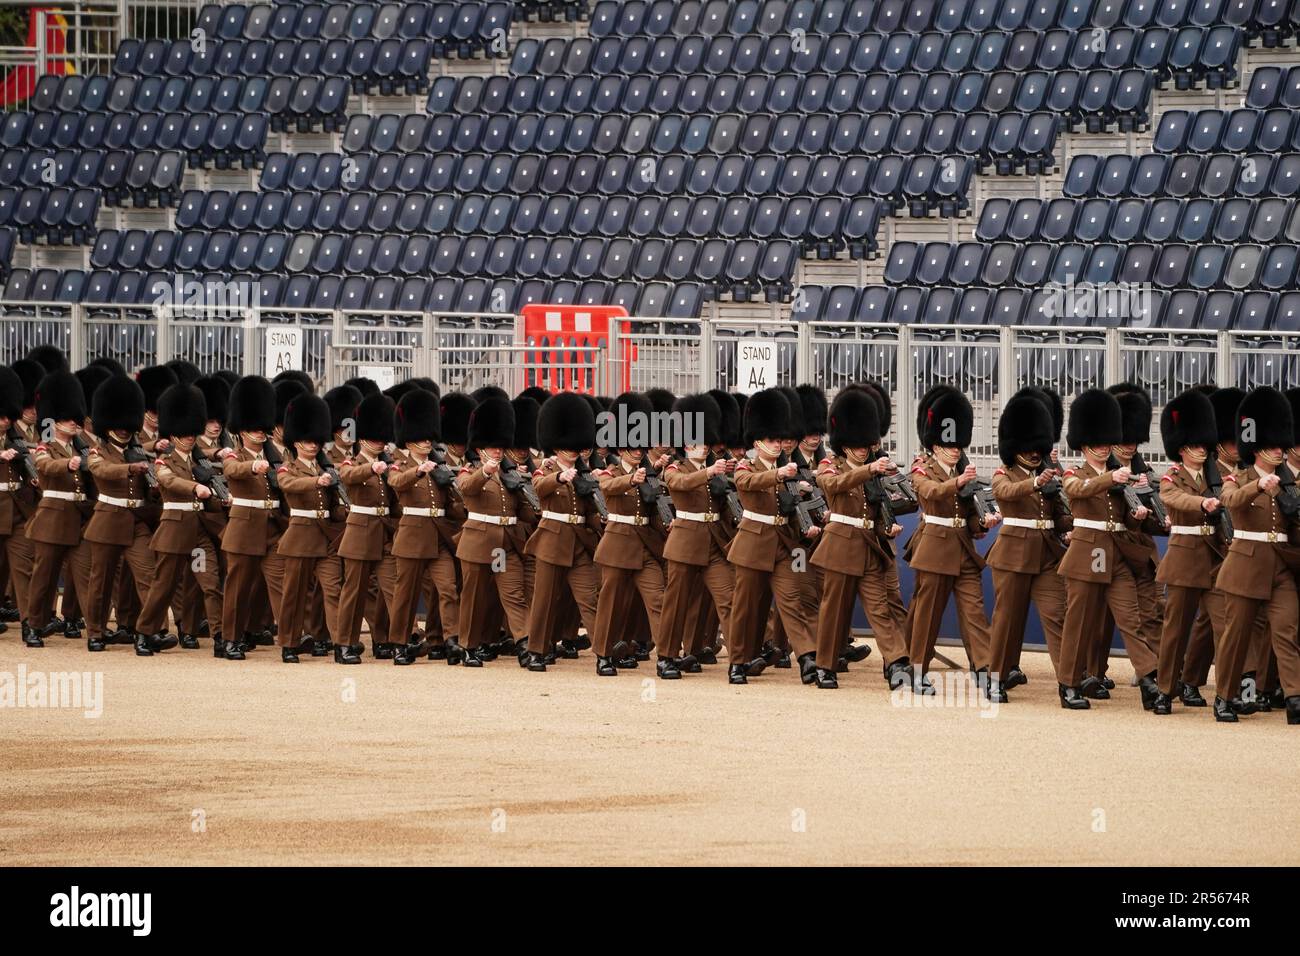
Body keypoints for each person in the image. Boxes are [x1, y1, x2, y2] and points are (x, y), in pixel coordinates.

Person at [1055, 389, 1161, 709]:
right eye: (1097, 443)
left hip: (1115, 554)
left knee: (1131, 619)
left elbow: (1121, 515)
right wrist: (1111, 478)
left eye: (1106, 441)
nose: (1103, 447)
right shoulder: (1076, 472)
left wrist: (1137, 514)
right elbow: (1077, 491)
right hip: (1088, 552)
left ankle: (1148, 678)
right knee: (1080, 620)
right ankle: (1069, 682)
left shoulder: (1120, 476)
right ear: (1085, 445)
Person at [812, 385, 910, 690]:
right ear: (844, 444)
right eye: (857, 444)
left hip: (869, 546)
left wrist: (886, 528)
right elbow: (834, 486)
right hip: (840, 544)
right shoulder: (830, 465)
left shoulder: (876, 469)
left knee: (879, 608)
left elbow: (878, 509)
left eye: (867, 443)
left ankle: (897, 664)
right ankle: (825, 666)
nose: (864, 448)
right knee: (834, 610)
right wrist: (869, 469)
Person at [1214, 386, 1300, 724]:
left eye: (1282, 444)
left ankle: (1294, 697)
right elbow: (1230, 501)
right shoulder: (1239, 478)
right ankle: (1224, 697)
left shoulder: (1288, 482)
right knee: (1236, 638)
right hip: (1246, 563)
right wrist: (1257, 487)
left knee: (1286, 631)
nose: (1281, 450)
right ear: (1258, 448)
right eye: (1274, 445)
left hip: (1279, 566)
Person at [905, 384, 998, 692]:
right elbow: (930, 493)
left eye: (959, 444)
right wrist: (957, 482)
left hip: (963, 547)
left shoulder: (963, 469)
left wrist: (981, 522)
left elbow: (969, 513)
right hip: (934, 546)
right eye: (949, 444)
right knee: (928, 615)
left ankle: (984, 670)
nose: (956, 448)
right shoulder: (922, 469)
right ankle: (916, 670)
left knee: (974, 612)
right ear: (935, 445)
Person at [726, 388, 820, 685]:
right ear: (757, 442)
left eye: (780, 440)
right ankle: (738, 661)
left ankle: (807, 657)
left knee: (792, 600)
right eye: (772, 440)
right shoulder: (747, 465)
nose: (778, 444)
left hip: (782, 543)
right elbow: (746, 482)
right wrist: (778, 476)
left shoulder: (788, 468)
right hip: (753, 542)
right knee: (746, 606)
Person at [986, 388, 1070, 702]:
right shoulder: (1003, 473)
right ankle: (995, 678)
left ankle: (1068, 682)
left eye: (1039, 445)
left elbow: (1060, 517)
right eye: (1029, 446)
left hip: (1047, 554)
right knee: (1006, 620)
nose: (1034, 452)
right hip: (1013, 555)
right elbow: (1004, 493)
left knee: (1057, 615)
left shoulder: (1048, 474)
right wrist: (1036, 482)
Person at [1151, 388, 1227, 715]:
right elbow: (1174, 499)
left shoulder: (1220, 476)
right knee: (1175, 631)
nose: (1202, 450)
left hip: (1214, 557)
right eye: (1195, 446)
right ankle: (1165, 690)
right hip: (1184, 557)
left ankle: (1224, 694)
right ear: (1182, 449)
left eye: (1204, 445)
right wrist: (1203, 502)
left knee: (1225, 628)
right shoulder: (1172, 477)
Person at [133, 383, 222, 657]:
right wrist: (194, 487)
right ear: (173, 434)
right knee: (163, 586)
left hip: (196, 534)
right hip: (174, 531)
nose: (189, 438)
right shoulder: (164, 461)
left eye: (191, 433)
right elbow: (167, 481)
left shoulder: (201, 463)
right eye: (183, 434)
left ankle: (222, 638)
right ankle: (145, 632)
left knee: (210, 584)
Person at [521, 392, 602, 673]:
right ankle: (536, 651)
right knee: (544, 600)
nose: (572, 449)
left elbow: (588, 509)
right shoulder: (547, 467)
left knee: (590, 598)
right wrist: (558, 477)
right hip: (552, 538)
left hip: (579, 541)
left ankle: (603, 653)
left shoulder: (585, 471)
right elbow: (539, 487)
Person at [592, 392, 668, 677]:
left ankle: (667, 655)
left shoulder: (649, 473)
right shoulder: (608, 472)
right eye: (633, 447)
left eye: (641, 447)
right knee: (611, 603)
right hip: (618, 542)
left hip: (645, 545)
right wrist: (629, 479)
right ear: (621, 447)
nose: (638, 452)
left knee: (658, 599)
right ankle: (603, 654)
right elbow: (607, 488)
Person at [659, 392, 734, 675]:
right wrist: (710, 473)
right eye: (697, 443)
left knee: (729, 598)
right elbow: (681, 483)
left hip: (712, 543)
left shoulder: (717, 469)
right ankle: (666, 656)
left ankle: (738, 659)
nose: (702, 447)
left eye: (704, 442)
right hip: (685, 541)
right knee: (676, 603)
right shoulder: (674, 468)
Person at [455, 396, 533, 666]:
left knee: (513, 594)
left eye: (501, 447)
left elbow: (521, 510)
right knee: (474, 598)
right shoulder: (470, 471)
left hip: (502, 546)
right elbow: (466, 489)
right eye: (492, 447)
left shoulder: (511, 475)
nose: (498, 451)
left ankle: (525, 644)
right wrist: (485, 473)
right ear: (480, 449)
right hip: (477, 544)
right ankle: (468, 646)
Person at [84, 375, 155, 653]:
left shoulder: (137, 451)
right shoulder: (97, 451)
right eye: (118, 424)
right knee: (100, 582)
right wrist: (130, 469)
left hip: (136, 522)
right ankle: (95, 632)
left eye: (128, 425)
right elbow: (101, 471)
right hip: (107, 520)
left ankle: (146, 631)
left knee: (148, 576)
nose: (124, 430)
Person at [386, 388, 458, 666]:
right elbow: (395, 483)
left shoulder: (439, 463)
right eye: (421, 437)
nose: (427, 441)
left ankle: (453, 640)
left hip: (438, 535)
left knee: (448, 587)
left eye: (430, 436)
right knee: (406, 594)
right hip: (412, 534)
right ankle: (400, 643)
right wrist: (417, 471)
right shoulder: (399, 463)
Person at [24, 371, 93, 649]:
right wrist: (67, 464)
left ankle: (95, 629)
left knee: (86, 575)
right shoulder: (46, 446)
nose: (74, 423)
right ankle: (34, 625)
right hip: (52, 519)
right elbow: (43, 465)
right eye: (68, 419)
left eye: (76, 419)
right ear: (55, 420)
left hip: (78, 518)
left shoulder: (84, 447)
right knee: (44, 577)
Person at [215, 376, 283, 661]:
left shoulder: (276, 453)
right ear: (242, 430)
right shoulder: (235, 453)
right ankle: (229, 638)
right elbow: (231, 470)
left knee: (281, 579)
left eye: (262, 427)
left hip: (270, 527)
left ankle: (291, 633)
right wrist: (253, 465)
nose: (259, 432)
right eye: (254, 427)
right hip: (243, 527)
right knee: (238, 589)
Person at [274, 392, 342, 663]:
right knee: (295, 594)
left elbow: (334, 505)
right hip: (300, 534)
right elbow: (288, 486)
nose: (312, 445)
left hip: (325, 536)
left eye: (315, 441)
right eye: (306, 441)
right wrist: (316, 482)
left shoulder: (326, 468)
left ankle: (341, 643)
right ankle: (289, 643)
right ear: (295, 442)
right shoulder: (286, 468)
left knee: (333, 589)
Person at [335, 392, 399, 664]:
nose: (380, 442)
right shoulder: (355, 462)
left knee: (391, 589)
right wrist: (372, 468)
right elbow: (347, 476)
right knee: (354, 592)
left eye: (382, 437)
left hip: (383, 532)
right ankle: (344, 643)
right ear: (362, 439)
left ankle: (385, 639)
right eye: (375, 437)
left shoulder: (387, 464)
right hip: (360, 531)